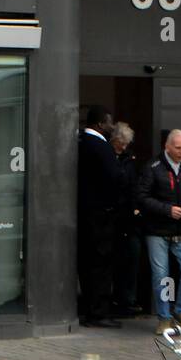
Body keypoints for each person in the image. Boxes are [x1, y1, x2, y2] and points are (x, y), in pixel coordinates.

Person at [136, 129, 181, 335]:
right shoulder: (153, 167)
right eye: (178, 147)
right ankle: (165, 317)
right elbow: (142, 196)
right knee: (162, 275)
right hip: (157, 230)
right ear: (167, 147)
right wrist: (167, 210)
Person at [77, 105, 120, 328]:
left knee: (87, 264)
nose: (112, 126)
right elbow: (114, 178)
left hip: (85, 214)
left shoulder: (80, 143)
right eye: (110, 122)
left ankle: (89, 309)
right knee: (100, 265)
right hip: (100, 217)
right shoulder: (100, 147)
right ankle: (99, 313)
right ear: (101, 124)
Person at [109, 122, 143, 317]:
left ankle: (126, 300)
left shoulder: (130, 160)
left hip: (129, 218)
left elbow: (134, 186)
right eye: (120, 142)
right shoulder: (109, 156)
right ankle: (113, 299)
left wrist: (136, 209)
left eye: (125, 143)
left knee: (131, 258)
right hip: (113, 215)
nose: (122, 146)